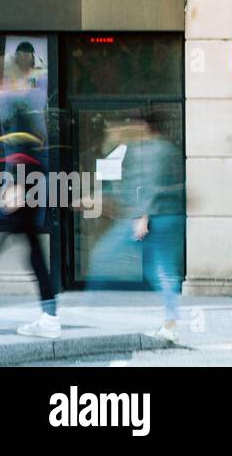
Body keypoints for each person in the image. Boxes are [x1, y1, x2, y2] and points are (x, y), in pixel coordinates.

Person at [85, 110, 185, 343]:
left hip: (154, 218)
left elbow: (150, 184)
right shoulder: (157, 148)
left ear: (144, 126)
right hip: (160, 216)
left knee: (108, 255)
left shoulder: (153, 149)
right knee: (156, 268)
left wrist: (142, 216)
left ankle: (91, 306)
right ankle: (169, 322)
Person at [0, 132, 60, 338]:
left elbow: (22, 151)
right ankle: (50, 317)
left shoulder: (14, 109)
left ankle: (50, 318)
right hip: (21, 192)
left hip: (20, 193)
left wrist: (19, 186)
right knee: (35, 255)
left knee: (35, 255)